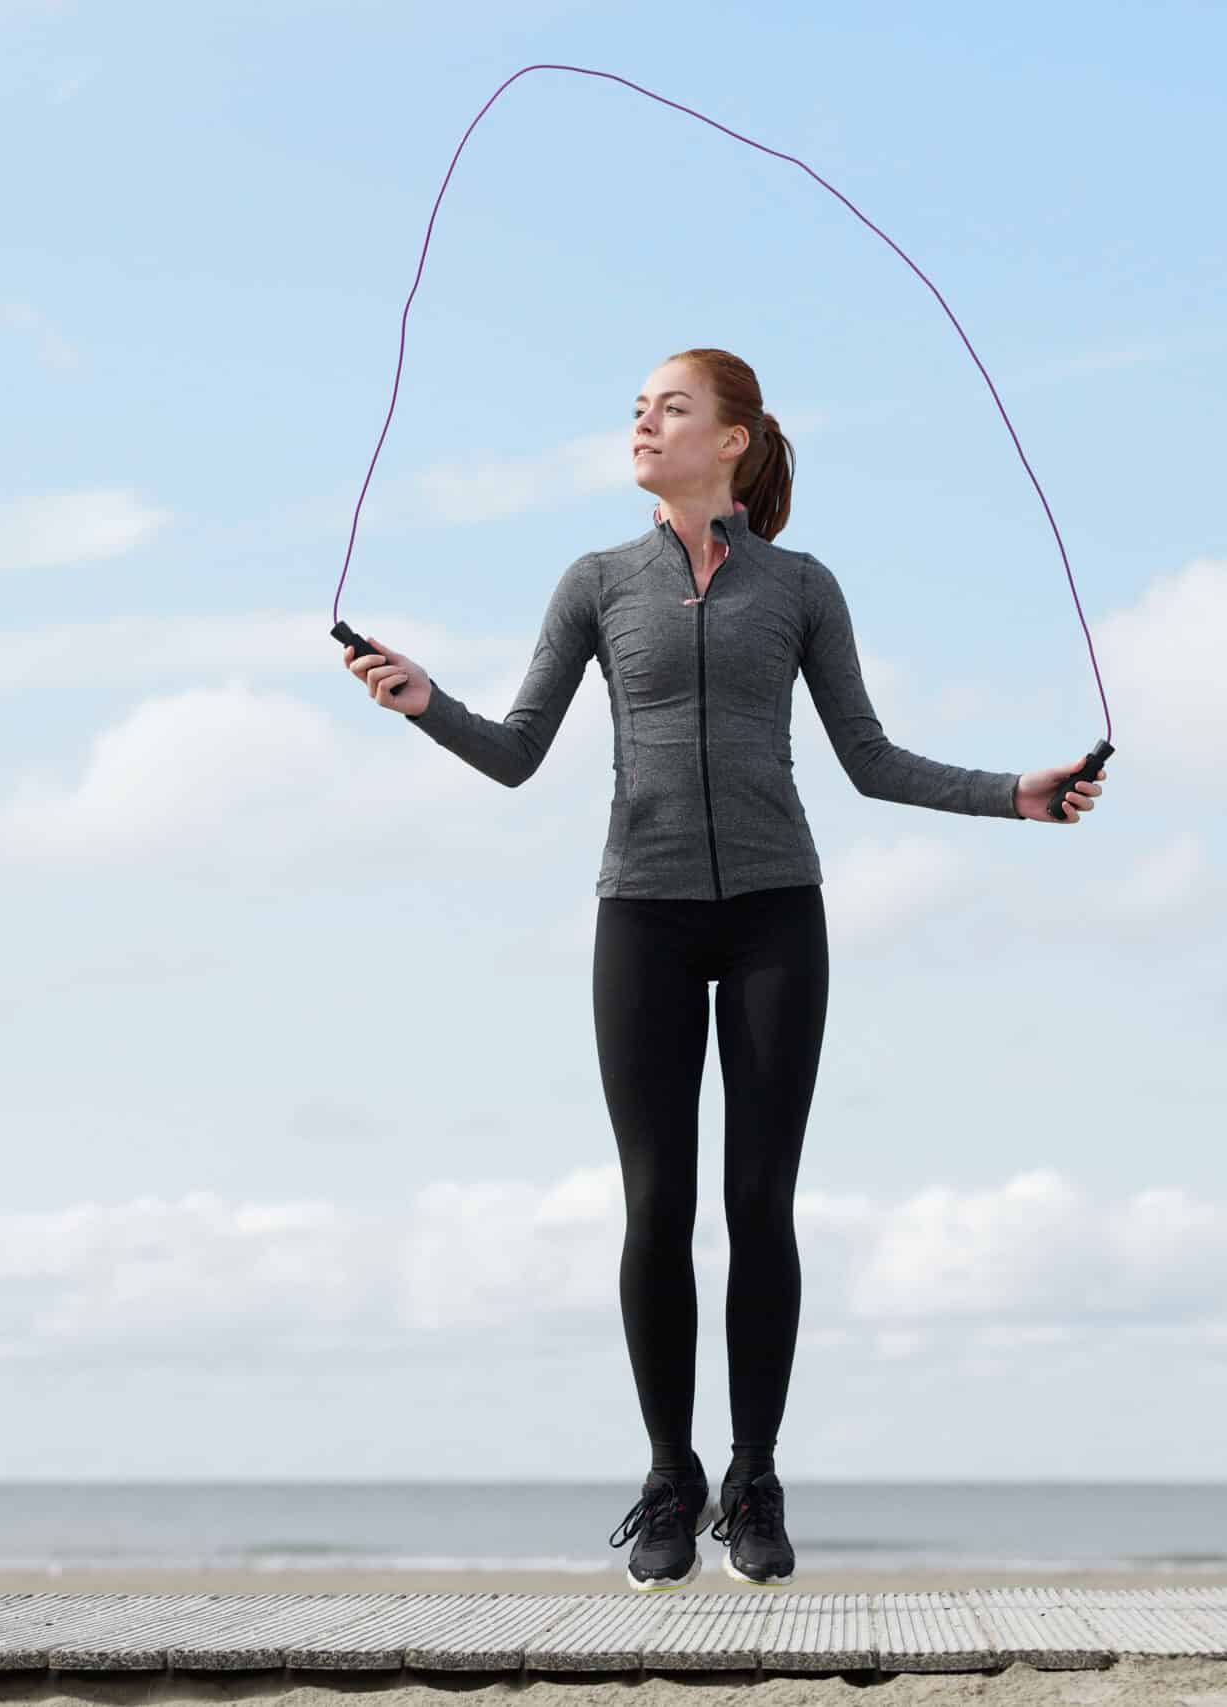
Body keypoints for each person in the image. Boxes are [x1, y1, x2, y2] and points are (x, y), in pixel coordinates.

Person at [341, 348, 1108, 1591]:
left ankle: (752, 1478)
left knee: (759, 1206)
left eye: (671, 407)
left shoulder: (799, 586)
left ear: (734, 440)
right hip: (638, 914)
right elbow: (517, 751)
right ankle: (667, 1477)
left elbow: (869, 757)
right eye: (636, 408)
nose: (642, 421)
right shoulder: (596, 582)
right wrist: (428, 701)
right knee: (658, 1207)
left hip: (771, 916)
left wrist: (1013, 798)